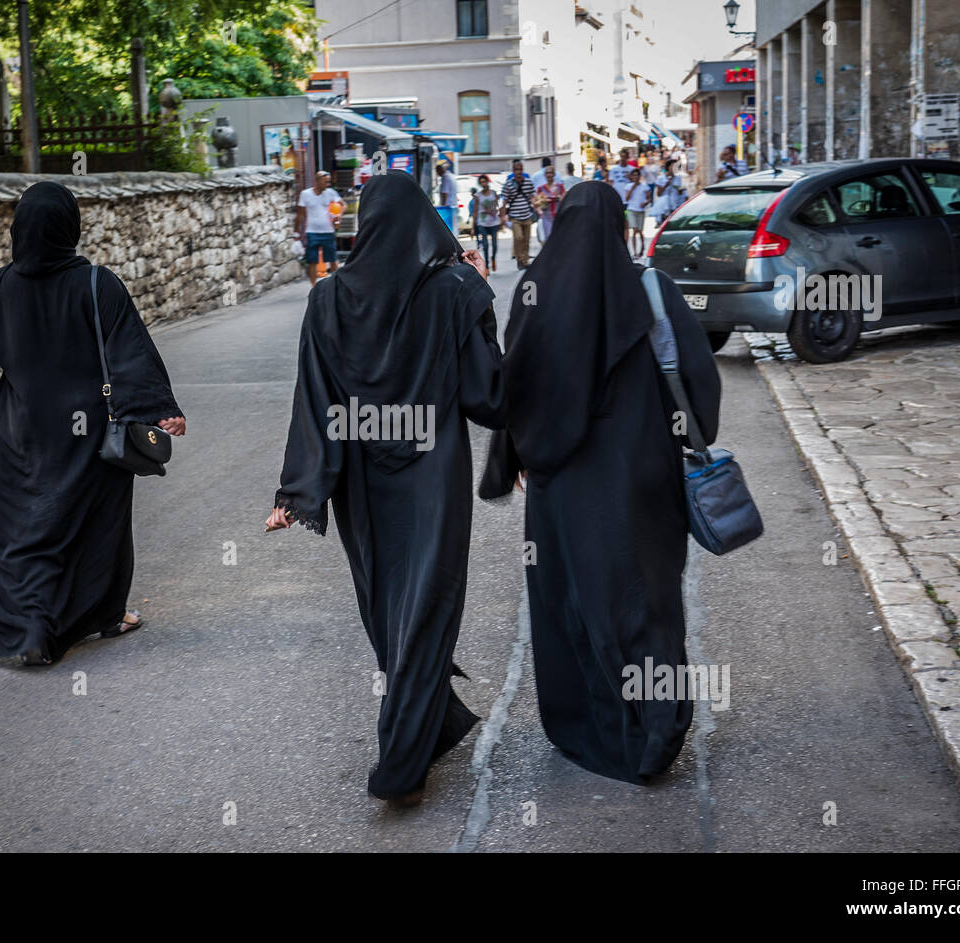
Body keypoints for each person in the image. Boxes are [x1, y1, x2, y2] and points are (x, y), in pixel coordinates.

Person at [264, 172, 507, 807]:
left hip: (363, 488)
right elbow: (488, 398)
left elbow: (315, 401)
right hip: (434, 478)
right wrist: (479, 304)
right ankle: (403, 759)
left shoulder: (328, 299)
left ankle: (420, 730)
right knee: (426, 610)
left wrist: (300, 489)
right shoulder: (456, 289)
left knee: (389, 607)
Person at [481, 180, 721, 785]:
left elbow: (515, 385)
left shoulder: (537, 292)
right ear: (619, 228)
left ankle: (596, 728)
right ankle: (657, 731)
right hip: (645, 482)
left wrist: (516, 456)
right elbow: (699, 390)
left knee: (576, 606)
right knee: (649, 602)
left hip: (562, 488)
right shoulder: (652, 290)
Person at [0, 181, 187, 667]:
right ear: (70, 227)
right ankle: (93, 617)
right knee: (92, 525)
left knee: (21, 525)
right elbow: (127, 352)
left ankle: (27, 623)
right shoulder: (96, 283)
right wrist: (159, 408)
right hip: (86, 429)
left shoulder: (4, 283)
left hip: (16, 426)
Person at [296, 170, 342, 284]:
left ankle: (334, 286)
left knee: (332, 260)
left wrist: (338, 215)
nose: (328, 184)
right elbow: (300, 215)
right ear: (317, 181)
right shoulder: (305, 194)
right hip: (312, 232)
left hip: (328, 231)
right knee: (312, 261)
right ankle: (313, 287)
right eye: (325, 182)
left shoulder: (331, 193)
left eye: (329, 182)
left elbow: (343, 205)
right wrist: (296, 233)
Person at [499, 159, 536, 269]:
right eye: (516, 169)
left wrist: (538, 206)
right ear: (513, 171)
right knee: (518, 237)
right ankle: (519, 259)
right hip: (515, 217)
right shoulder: (509, 184)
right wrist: (502, 216)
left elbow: (532, 197)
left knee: (527, 239)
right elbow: (504, 201)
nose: (518, 172)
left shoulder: (528, 182)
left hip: (527, 215)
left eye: (520, 169)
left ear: (522, 170)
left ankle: (525, 260)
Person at [470, 173, 501, 272]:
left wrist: (499, 215)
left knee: (495, 244)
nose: (483, 184)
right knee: (485, 245)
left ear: (487, 182)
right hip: (482, 223)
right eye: (481, 182)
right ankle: (487, 266)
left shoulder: (494, 193)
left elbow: (497, 207)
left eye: (484, 181)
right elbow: (475, 211)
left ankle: (493, 259)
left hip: (494, 222)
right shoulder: (477, 196)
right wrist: (472, 226)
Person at [622, 166, 652, 257]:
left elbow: (649, 198)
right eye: (633, 175)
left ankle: (642, 247)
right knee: (634, 230)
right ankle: (635, 252)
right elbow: (626, 198)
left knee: (639, 231)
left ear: (639, 176)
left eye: (637, 175)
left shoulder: (644, 186)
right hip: (631, 209)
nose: (635, 177)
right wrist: (633, 187)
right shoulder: (628, 186)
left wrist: (645, 203)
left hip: (641, 210)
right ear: (631, 177)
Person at [651, 157, 688, 226]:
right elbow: (659, 194)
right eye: (673, 166)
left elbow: (680, 194)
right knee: (664, 226)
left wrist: (681, 190)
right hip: (664, 207)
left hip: (675, 206)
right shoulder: (661, 178)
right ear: (668, 167)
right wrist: (666, 185)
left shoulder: (678, 178)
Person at [534, 164, 565, 243]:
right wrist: (541, 206)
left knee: (559, 238)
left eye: (551, 173)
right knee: (548, 238)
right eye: (547, 173)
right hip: (546, 217)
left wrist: (558, 197)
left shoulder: (559, 187)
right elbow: (536, 203)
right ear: (544, 175)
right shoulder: (541, 189)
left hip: (558, 216)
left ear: (554, 174)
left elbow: (564, 199)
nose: (549, 175)